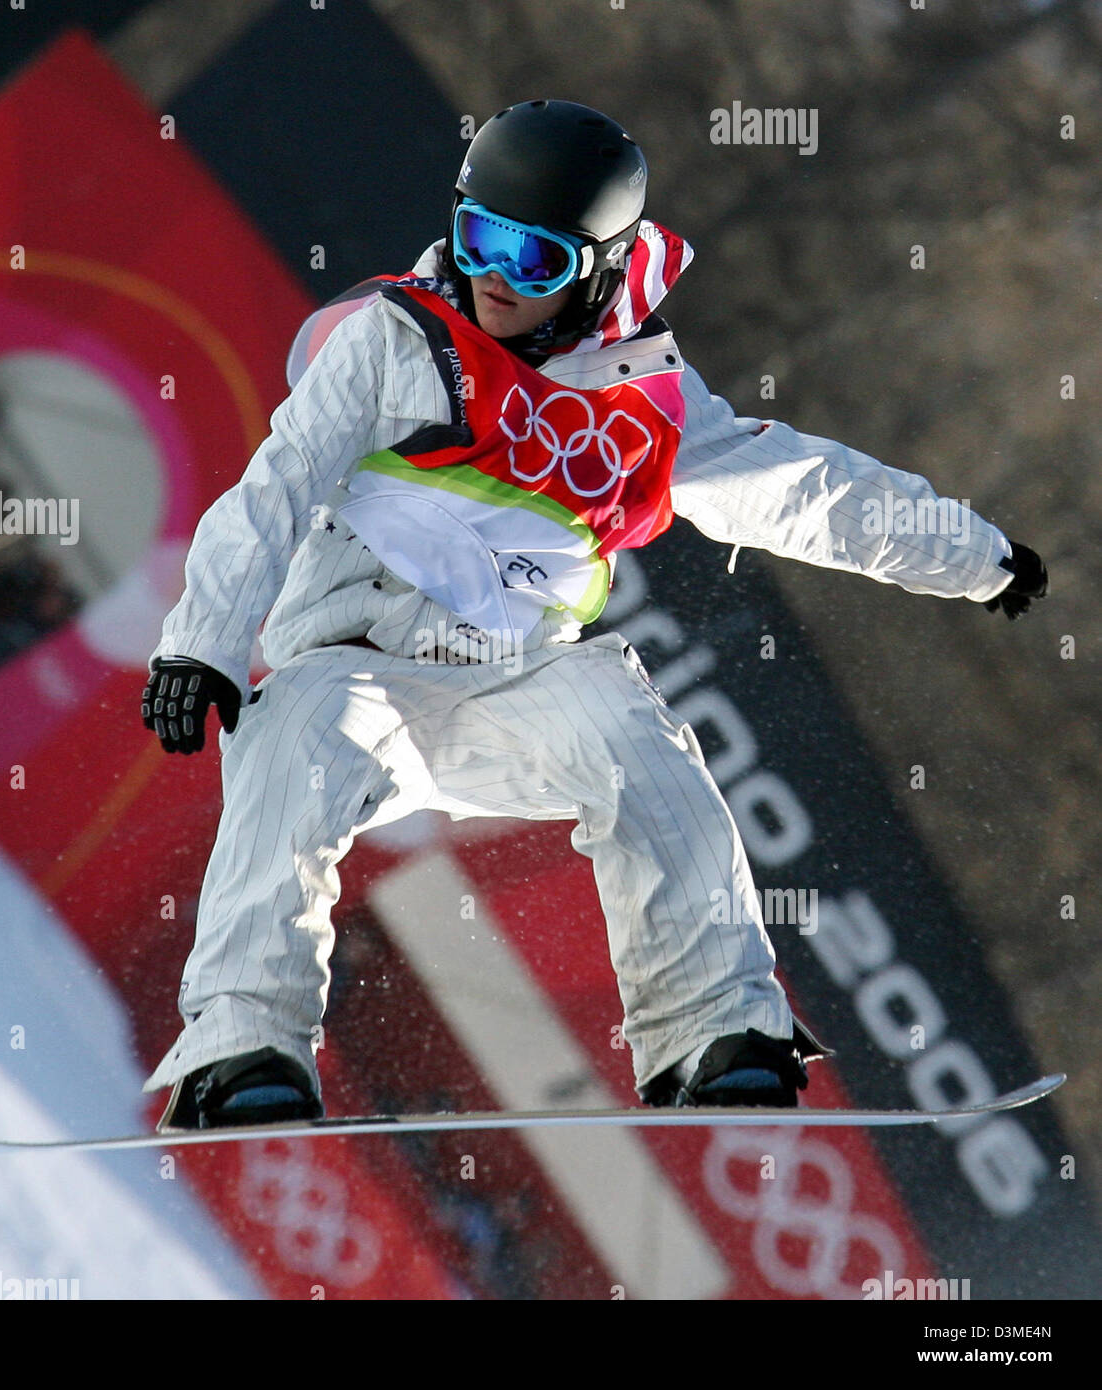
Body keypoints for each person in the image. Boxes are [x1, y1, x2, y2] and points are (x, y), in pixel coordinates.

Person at [140, 99, 1048, 1130]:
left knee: (636, 737)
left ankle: (712, 1030)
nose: (492, 277)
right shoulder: (399, 339)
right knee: (287, 750)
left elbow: (801, 488)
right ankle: (243, 1042)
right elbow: (277, 485)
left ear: (598, 268)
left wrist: (973, 557)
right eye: (478, 236)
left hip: (512, 680)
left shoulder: (643, 397)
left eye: (531, 261)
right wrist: (203, 644)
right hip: (355, 664)